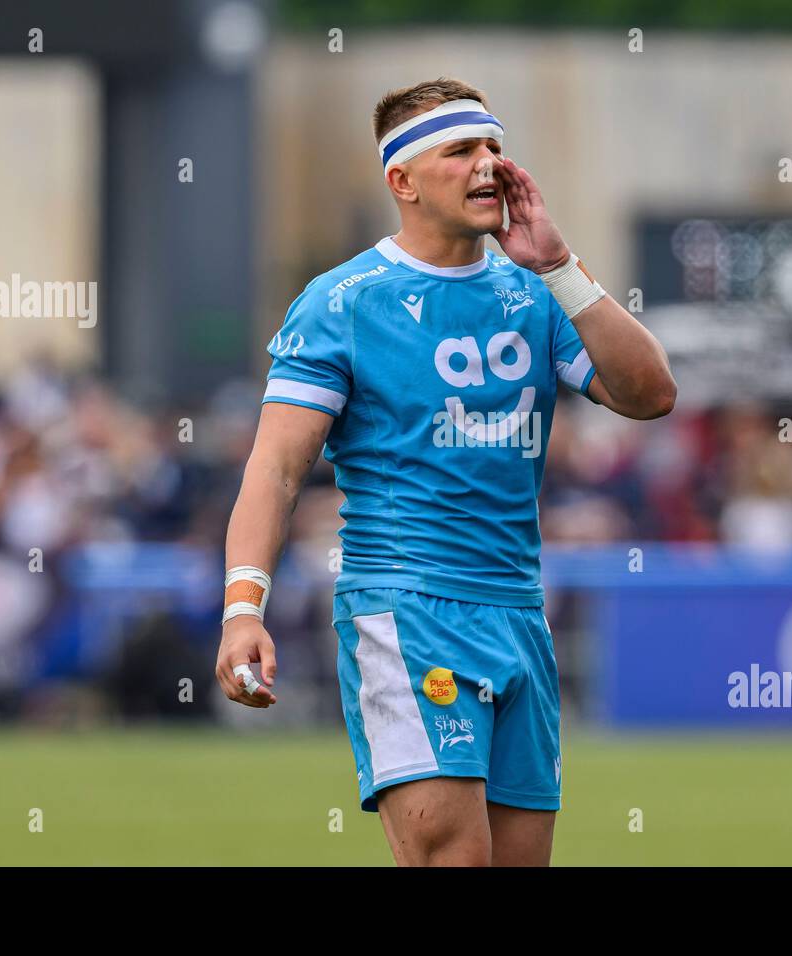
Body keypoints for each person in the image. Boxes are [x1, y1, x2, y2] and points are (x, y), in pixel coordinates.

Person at [214, 77, 675, 866]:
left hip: (518, 613)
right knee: (453, 860)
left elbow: (651, 394)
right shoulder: (343, 303)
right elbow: (276, 469)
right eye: (461, 150)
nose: (488, 164)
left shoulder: (534, 293)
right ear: (403, 181)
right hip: (407, 606)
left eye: (494, 146)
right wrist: (241, 608)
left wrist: (562, 265)